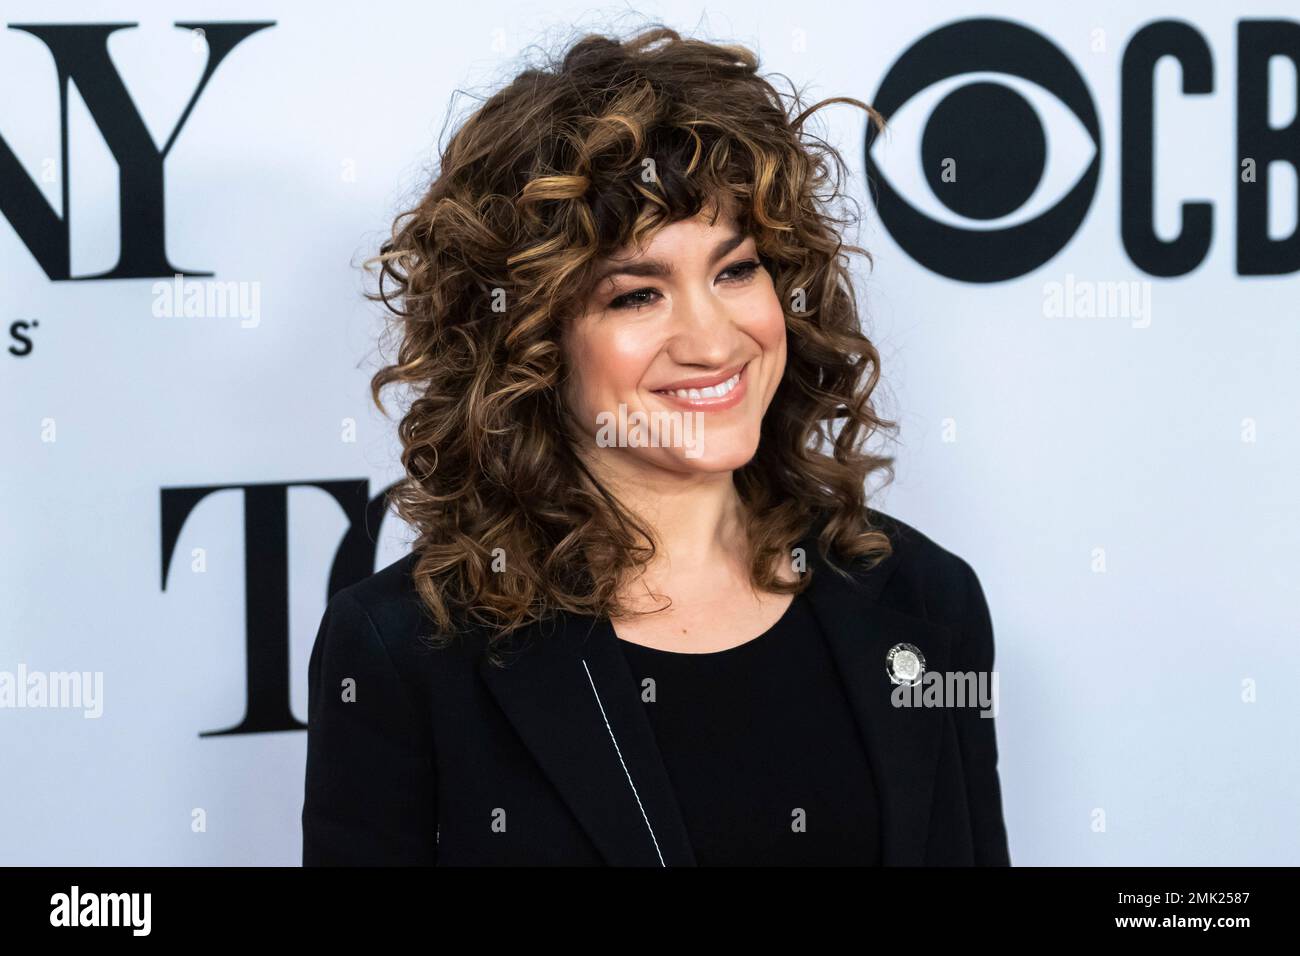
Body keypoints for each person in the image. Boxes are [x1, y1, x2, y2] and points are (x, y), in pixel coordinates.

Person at [301, 24, 1010, 866]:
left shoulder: (925, 600)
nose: (712, 342)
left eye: (736, 270)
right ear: (532, 343)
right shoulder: (404, 648)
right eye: (637, 295)